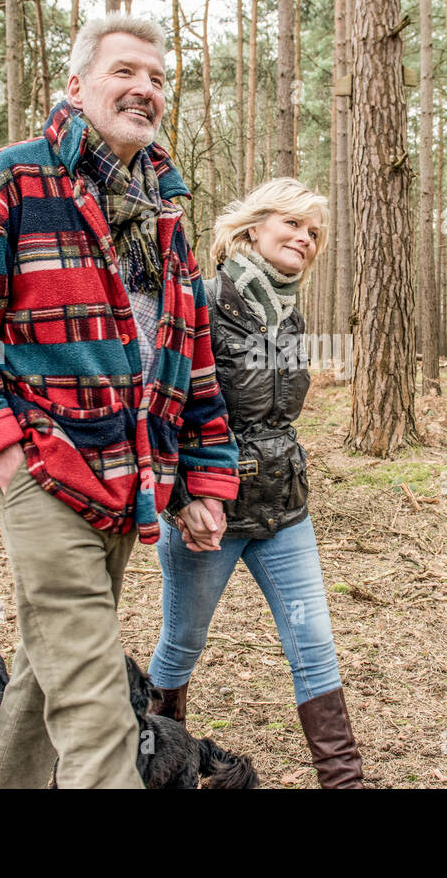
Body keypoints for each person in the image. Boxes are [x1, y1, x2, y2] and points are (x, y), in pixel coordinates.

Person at [0, 13, 239, 788]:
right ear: (77, 85)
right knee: (94, 710)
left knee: (45, 673)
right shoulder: (13, 180)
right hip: (46, 480)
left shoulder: (165, 214)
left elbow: (192, 362)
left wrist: (204, 479)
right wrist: (5, 453)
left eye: (157, 78)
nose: (145, 89)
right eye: (125, 72)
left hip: (129, 488)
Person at [148, 178, 365, 788]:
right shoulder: (199, 303)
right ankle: (159, 760)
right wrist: (186, 498)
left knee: (314, 645)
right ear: (250, 230)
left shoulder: (290, 319)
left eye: (314, 232)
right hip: (209, 515)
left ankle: (343, 782)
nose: (305, 238)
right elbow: (167, 409)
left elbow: (278, 419)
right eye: (292, 224)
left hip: (284, 510)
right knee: (182, 644)